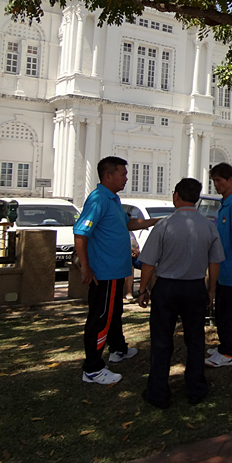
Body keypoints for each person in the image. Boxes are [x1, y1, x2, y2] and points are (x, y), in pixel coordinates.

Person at [137, 178, 225, 408]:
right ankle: (196, 388)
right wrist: (211, 290)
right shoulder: (208, 226)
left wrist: (142, 288)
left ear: (176, 195)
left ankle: (158, 391)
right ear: (196, 198)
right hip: (195, 286)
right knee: (195, 339)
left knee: (161, 339)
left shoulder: (164, 225)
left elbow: (148, 263)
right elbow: (215, 263)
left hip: (167, 287)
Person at [74, 156, 161, 385]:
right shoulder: (98, 200)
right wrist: (85, 266)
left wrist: (156, 222)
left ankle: (118, 349)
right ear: (108, 176)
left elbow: (128, 224)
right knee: (100, 318)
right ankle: (92, 368)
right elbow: (81, 233)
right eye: (122, 174)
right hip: (104, 271)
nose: (126, 178)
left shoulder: (113, 199)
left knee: (113, 313)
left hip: (116, 271)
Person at [205, 162, 232, 367]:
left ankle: (228, 352)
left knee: (228, 310)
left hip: (231, 268)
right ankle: (226, 344)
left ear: (230, 180)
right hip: (222, 268)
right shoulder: (224, 204)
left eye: (219, 180)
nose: (216, 185)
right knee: (222, 309)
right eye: (214, 181)